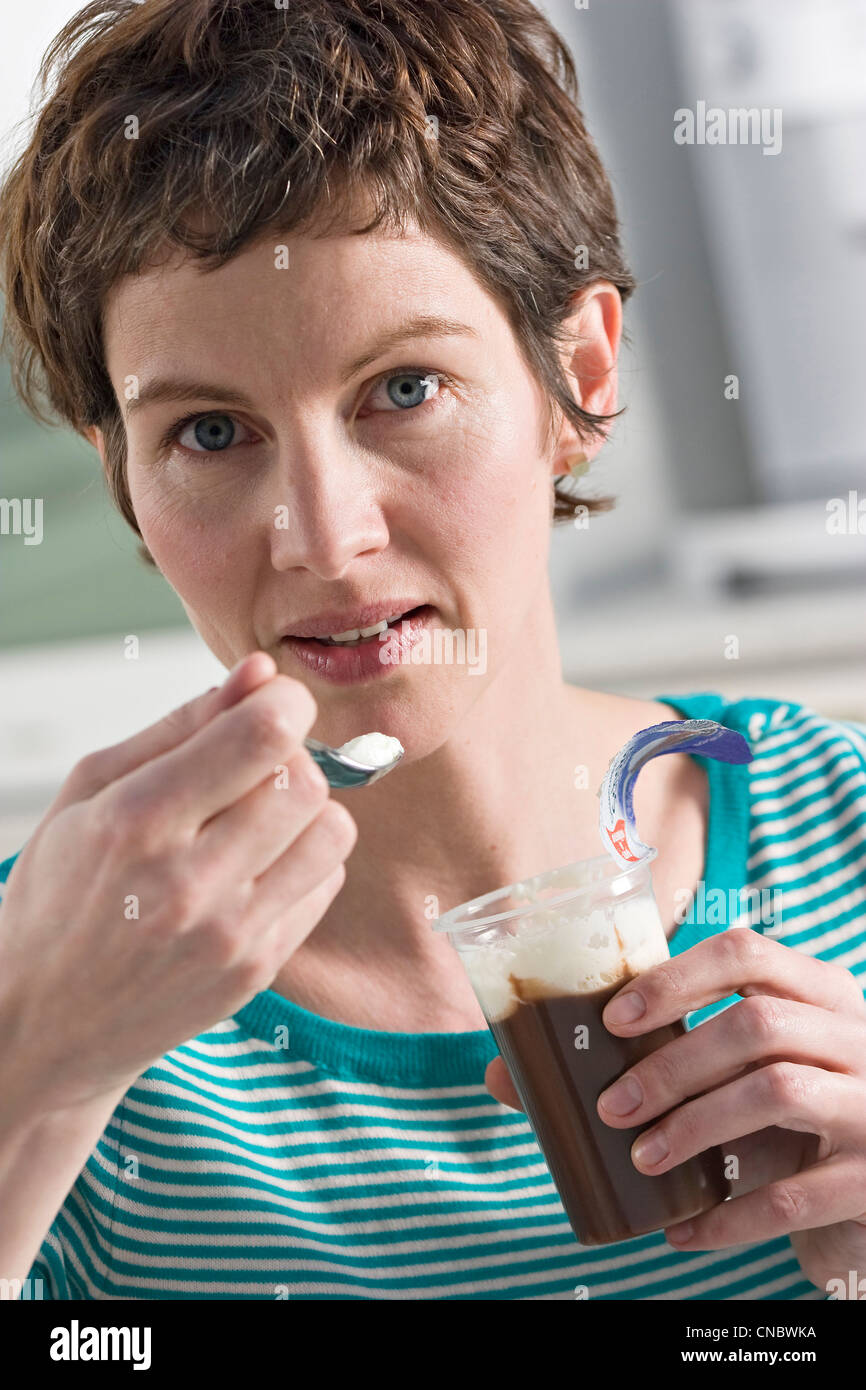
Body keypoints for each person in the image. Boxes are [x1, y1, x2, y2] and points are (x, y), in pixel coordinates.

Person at [0, 0, 864, 1302]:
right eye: (211, 433)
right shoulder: (52, 952)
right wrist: (33, 1074)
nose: (325, 541)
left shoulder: (845, 829)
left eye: (403, 388)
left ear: (578, 376)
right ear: (123, 476)